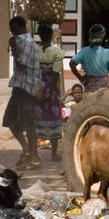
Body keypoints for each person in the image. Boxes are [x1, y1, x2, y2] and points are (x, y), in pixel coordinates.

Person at [4, 16, 41, 169]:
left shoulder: (26, 42)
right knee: (10, 120)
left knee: (29, 124)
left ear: (22, 27)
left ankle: (33, 157)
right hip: (19, 87)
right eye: (11, 31)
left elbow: (21, 65)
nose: (13, 34)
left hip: (27, 88)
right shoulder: (20, 41)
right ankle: (27, 151)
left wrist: (13, 47)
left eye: (15, 30)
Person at [36, 23, 65, 161]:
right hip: (49, 87)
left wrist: (41, 90)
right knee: (52, 117)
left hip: (39, 85)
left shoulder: (35, 50)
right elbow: (55, 73)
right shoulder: (57, 52)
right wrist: (49, 92)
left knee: (38, 117)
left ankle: (35, 153)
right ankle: (53, 154)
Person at [70, 24, 109, 92]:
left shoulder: (84, 51)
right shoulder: (107, 52)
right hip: (103, 87)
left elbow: (71, 63)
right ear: (103, 37)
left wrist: (80, 78)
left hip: (89, 85)